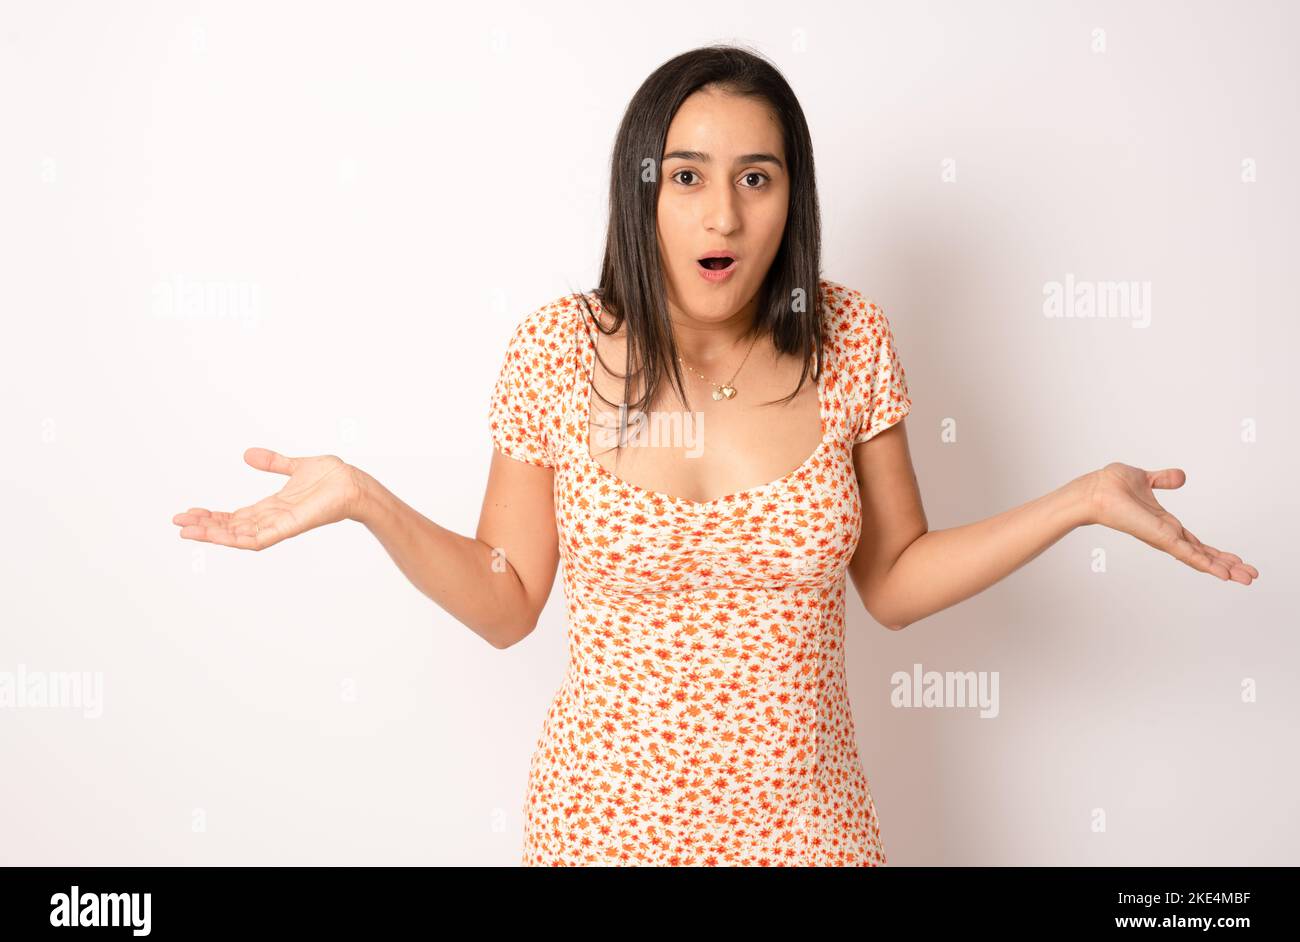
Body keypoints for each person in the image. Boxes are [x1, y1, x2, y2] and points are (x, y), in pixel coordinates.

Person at [172, 45, 1258, 866]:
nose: (722, 210)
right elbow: (508, 602)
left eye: (757, 176)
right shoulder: (555, 353)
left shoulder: (851, 339)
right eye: (686, 175)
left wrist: (1073, 501)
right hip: (599, 831)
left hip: (809, 829)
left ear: (793, 197)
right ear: (639, 187)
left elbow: (892, 579)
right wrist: (367, 498)